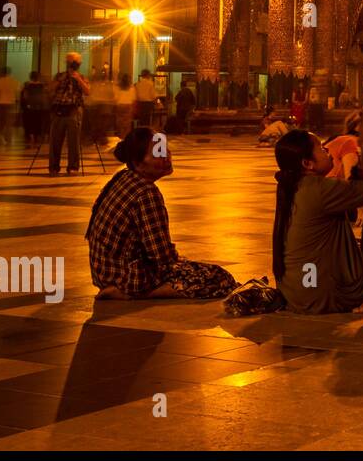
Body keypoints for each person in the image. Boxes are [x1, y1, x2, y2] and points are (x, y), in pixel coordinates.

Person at [87, 127, 237, 300]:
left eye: (165, 149)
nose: (166, 157)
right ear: (138, 162)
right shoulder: (146, 193)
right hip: (129, 276)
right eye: (158, 153)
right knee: (219, 279)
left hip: (103, 271)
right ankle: (136, 293)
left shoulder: (123, 177)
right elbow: (161, 256)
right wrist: (181, 264)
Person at [272, 115, 363, 314]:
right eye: (321, 148)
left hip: (298, 290)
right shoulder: (318, 189)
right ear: (307, 164)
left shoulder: (294, 186)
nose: (327, 150)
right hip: (315, 294)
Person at [48, 53, 91, 174]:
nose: (71, 64)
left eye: (74, 62)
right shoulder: (59, 76)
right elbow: (50, 89)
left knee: (74, 141)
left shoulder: (81, 77)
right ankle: (53, 167)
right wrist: (61, 80)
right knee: (55, 141)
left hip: (74, 110)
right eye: (69, 61)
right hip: (58, 110)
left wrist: (78, 79)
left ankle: (73, 167)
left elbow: (87, 91)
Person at [20, 72, 49, 147]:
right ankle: (37, 136)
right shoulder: (42, 85)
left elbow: (25, 95)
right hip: (40, 106)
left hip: (30, 106)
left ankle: (31, 136)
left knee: (30, 121)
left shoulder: (27, 85)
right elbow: (44, 95)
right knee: (38, 121)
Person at [0, 67, 18, 143]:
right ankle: (8, 138)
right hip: (11, 104)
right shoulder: (13, 81)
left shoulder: (0, 81)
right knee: (9, 123)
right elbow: (17, 93)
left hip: (1, 104)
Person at [114, 73, 135, 137]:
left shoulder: (118, 88)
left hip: (120, 106)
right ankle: (126, 137)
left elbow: (115, 97)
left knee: (119, 123)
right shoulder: (132, 88)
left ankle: (120, 136)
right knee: (127, 123)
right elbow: (133, 98)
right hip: (128, 106)